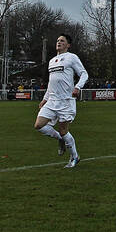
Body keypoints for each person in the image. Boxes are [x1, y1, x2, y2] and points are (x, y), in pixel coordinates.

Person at [36, 34, 87, 168]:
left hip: (66, 101)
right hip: (52, 100)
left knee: (64, 130)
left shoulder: (72, 57)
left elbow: (84, 74)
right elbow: (51, 83)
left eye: (62, 41)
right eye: (58, 40)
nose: (59, 42)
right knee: (38, 125)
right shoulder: (52, 61)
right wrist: (45, 99)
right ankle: (60, 139)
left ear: (68, 45)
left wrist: (77, 87)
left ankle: (75, 157)